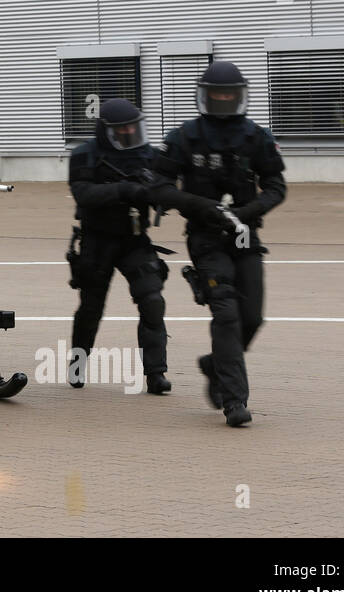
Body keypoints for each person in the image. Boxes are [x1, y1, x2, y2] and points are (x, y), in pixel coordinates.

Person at [154, 62, 287, 427]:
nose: (225, 100)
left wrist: (249, 210)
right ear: (206, 96)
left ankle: (216, 364)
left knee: (253, 316)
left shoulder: (255, 137)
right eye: (218, 94)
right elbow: (159, 186)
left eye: (231, 94)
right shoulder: (185, 137)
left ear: (241, 96)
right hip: (206, 237)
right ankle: (235, 401)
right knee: (226, 314)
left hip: (245, 235)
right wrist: (198, 205)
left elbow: (277, 186)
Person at [65, 99, 221, 394]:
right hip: (97, 242)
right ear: (107, 131)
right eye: (122, 129)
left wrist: (172, 199)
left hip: (134, 240)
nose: (128, 132)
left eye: (133, 128)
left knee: (152, 300)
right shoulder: (85, 155)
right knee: (90, 308)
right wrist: (126, 190)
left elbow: (168, 187)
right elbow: (83, 193)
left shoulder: (149, 155)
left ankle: (155, 373)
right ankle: (77, 365)